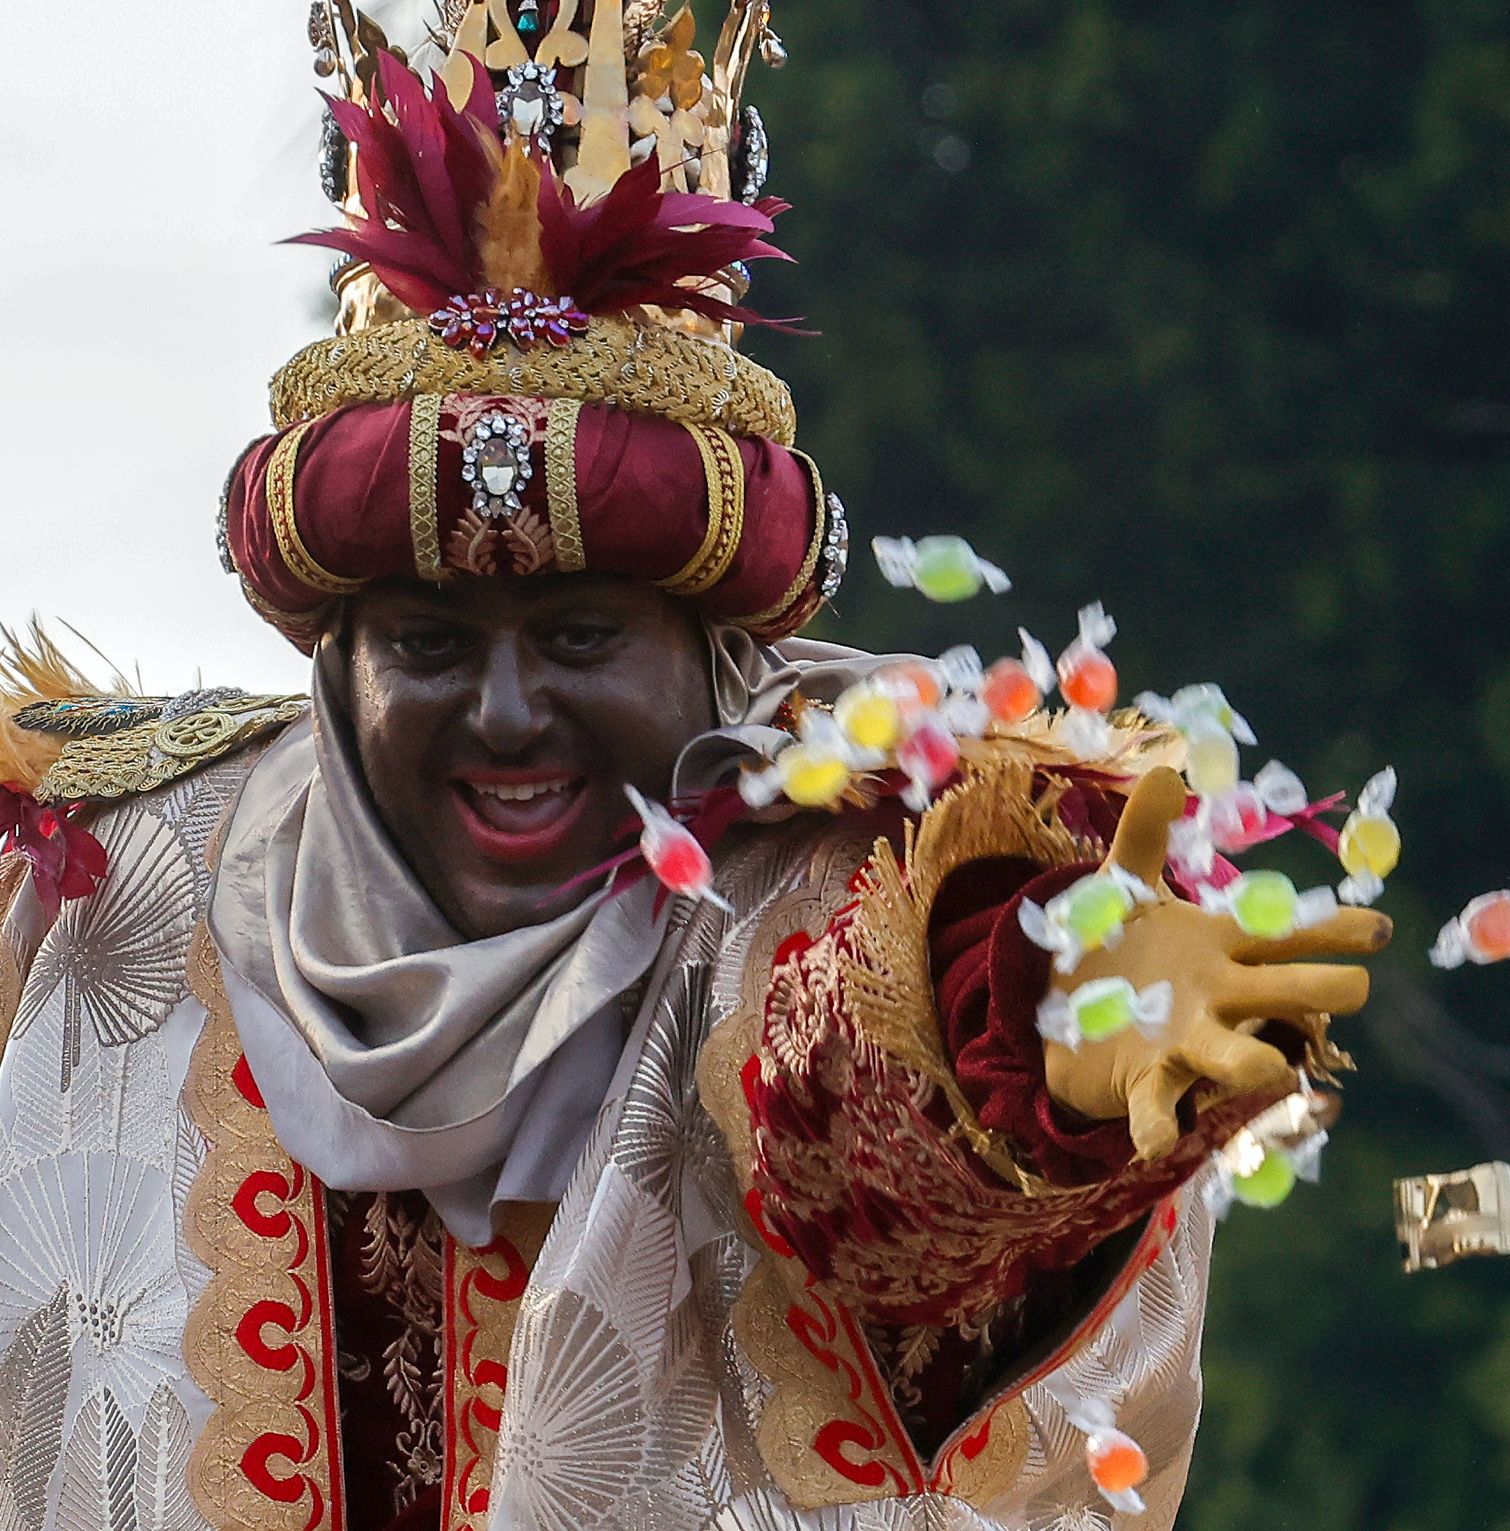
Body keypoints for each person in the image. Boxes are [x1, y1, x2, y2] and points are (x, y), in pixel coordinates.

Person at [0, 3, 1390, 1528]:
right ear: (335, 663)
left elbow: (873, 1110)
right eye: (431, 643)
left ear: (724, 660)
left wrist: (1049, 1045)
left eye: (584, 633)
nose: (510, 712)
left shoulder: (817, 860)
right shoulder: (96, 875)